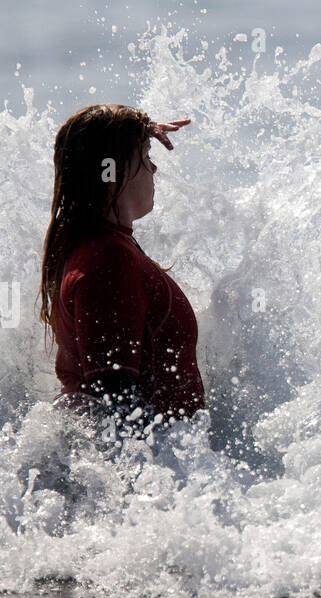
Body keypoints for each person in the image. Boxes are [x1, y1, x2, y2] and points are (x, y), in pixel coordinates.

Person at [37, 104, 205, 443]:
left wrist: (131, 137)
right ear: (114, 171)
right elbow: (113, 401)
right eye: (145, 155)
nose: (154, 167)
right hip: (151, 479)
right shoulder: (109, 262)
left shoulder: (89, 247)